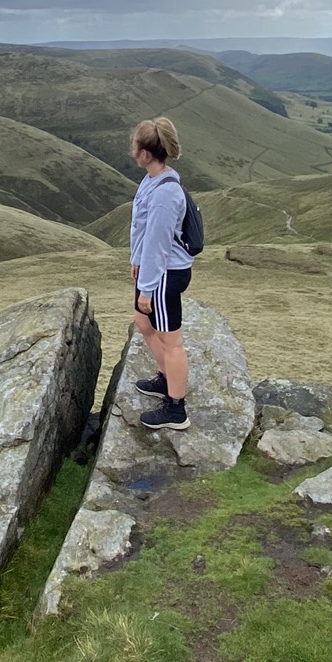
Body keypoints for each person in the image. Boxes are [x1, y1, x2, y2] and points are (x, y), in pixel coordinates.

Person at [128, 115, 193, 431]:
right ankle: (166, 379)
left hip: (166, 274)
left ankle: (176, 408)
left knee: (172, 341)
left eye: (135, 145)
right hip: (155, 271)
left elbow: (158, 243)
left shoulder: (166, 192)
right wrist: (136, 260)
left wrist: (147, 288)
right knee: (144, 322)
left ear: (144, 153)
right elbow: (143, 231)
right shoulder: (154, 179)